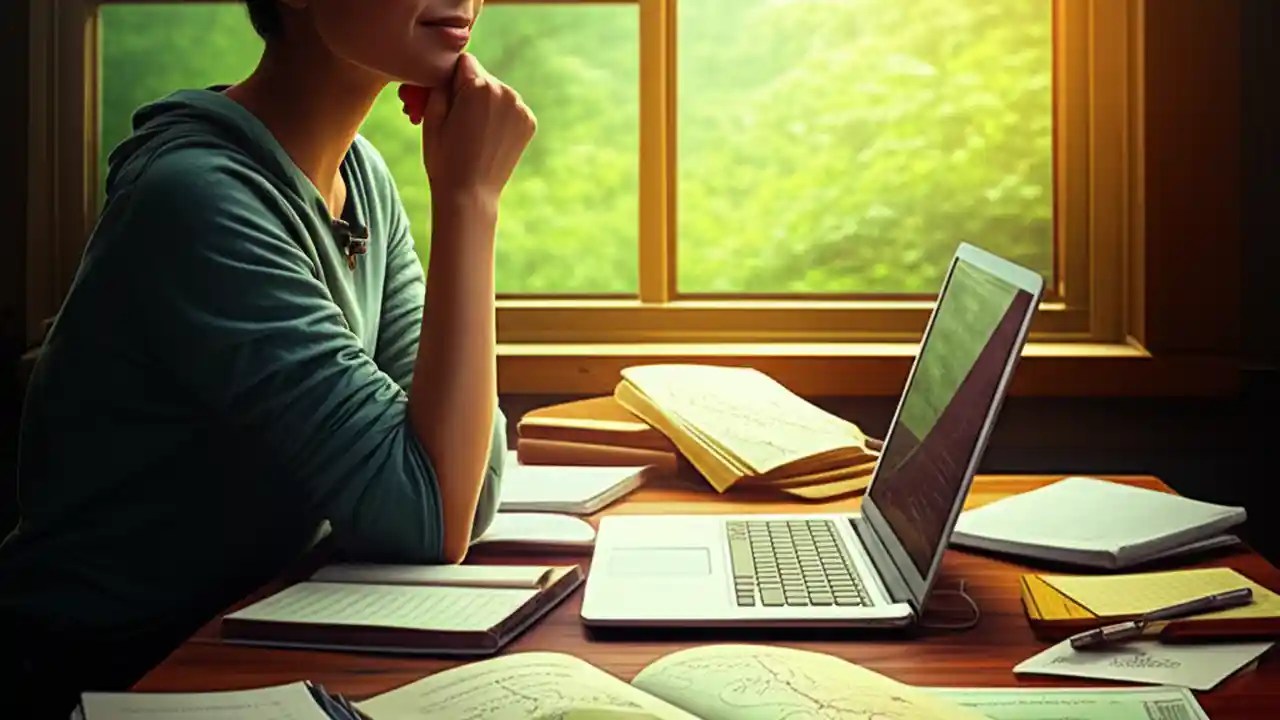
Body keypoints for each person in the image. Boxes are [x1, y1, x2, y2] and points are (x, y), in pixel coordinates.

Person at [0, 0, 534, 714]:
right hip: (110, 680)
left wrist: (466, 195)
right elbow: (429, 516)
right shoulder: (194, 199)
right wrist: (470, 199)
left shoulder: (361, 177)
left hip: (247, 653)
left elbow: (465, 493)